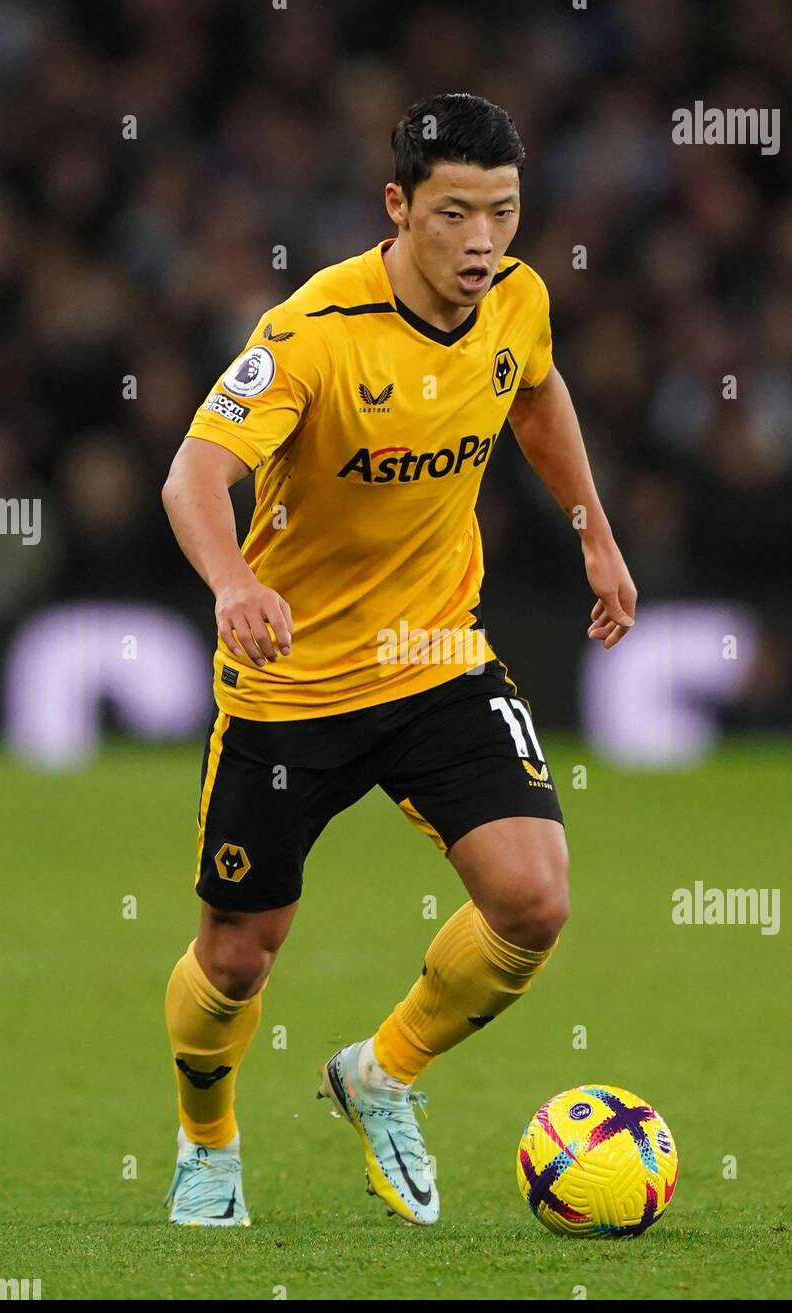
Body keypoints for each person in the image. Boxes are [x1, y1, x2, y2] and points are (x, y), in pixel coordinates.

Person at [160, 92, 636, 1226]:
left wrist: (594, 530)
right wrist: (234, 584)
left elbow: (534, 392)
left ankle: (381, 1074)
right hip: (295, 685)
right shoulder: (313, 333)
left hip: (436, 656)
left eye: (503, 213)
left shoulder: (518, 298)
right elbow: (193, 476)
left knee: (534, 899)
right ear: (398, 207)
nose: (482, 242)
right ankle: (207, 1141)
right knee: (237, 958)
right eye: (454, 214)